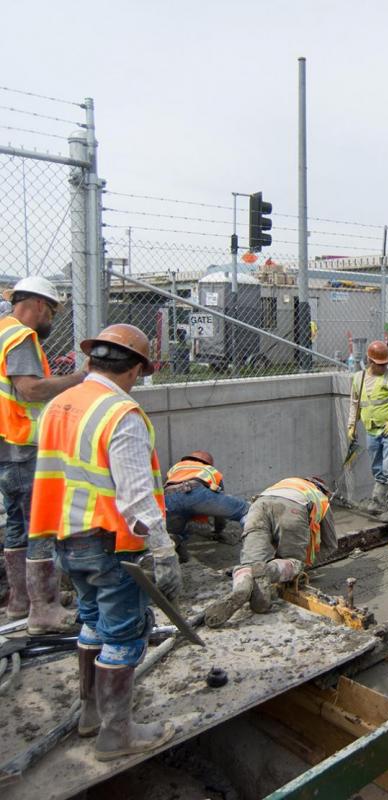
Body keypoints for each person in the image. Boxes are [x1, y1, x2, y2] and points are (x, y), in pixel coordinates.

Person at [28, 323, 181, 760]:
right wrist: (163, 549)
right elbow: (135, 493)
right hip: (109, 542)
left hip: (64, 536)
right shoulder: (121, 413)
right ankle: (118, 735)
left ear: (91, 360)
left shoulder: (61, 402)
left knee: (92, 621)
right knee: (124, 633)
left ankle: (90, 714)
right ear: (134, 370)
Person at [1, 276, 87, 632]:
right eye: (51, 311)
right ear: (37, 304)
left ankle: (19, 603)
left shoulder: (2, 330)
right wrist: (78, 379)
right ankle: (44, 610)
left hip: (6, 444)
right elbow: (30, 389)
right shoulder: (21, 337)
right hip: (22, 446)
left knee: (17, 526)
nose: (52, 318)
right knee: (39, 525)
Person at [204, 476, 336, 627]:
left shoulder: (287, 483)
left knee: (250, 562)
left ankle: (242, 588)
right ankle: (268, 571)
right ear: (323, 489)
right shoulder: (321, 498)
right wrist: (305, 565)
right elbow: (330, 545)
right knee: (293, 562)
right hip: (292, 508)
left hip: (258, 506)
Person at [347, 340, 388, 521]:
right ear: (370, 361)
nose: (384, 367)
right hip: (371, 430)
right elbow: (355, 404)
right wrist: (351, 425)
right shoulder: (358, 379)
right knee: (377, 466)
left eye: (385, 364)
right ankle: (377, 500)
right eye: (380, 364)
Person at [164, 450, 250, 561]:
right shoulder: (210, 470)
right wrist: (219, 530)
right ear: (207, 462)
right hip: (196, 492)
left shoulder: (176, 468)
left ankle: (179, 557)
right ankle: (253, 546)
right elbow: (219, 509)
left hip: (169, 498)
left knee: (175, 534)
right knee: (245, 509)